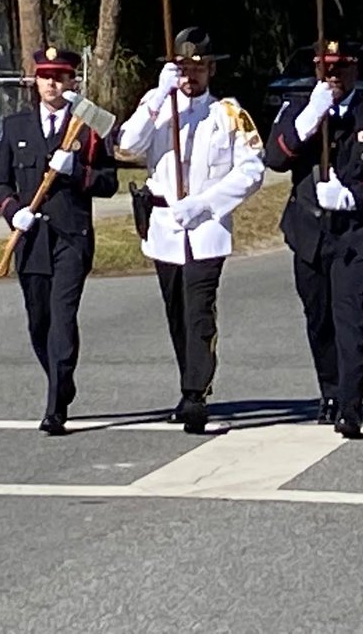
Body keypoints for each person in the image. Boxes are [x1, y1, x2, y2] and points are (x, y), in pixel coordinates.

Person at [118, 27, 265, 435]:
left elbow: (252, 168)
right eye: (182, 68)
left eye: (198, 68)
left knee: (199, 311)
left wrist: (206, 203)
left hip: (205, 228)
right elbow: (126, 146)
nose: (190, 76)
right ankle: (189, 383)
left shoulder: (228, 114)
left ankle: (196, 392)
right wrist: (156, 99)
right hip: (164, 227)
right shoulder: (157, 106)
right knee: (176, 313)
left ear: (211, 70)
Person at [266, 40, 363, 438]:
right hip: (310, 231)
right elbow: (276, 159)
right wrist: (312, 116)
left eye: (341, 68)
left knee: (351, 319)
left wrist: (354, 196)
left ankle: (351, 404)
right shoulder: (299, 108)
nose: (333, 76)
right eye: (326, 68)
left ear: (354, 69)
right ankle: (329, 390)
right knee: (319, 320)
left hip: (359, 233)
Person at [0, 47, 119, 435]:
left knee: (62, 320)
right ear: (35, 81)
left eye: (60, 77)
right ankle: (61, 381)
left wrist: (77, 170)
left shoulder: (88, 126)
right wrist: (13, 211)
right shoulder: (16, 127)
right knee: (38, 323)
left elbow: (109, 182)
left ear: (71, 82)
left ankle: (54, 408)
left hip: (71, 239)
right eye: (45, 76)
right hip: (32, 240)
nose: (52, 83)